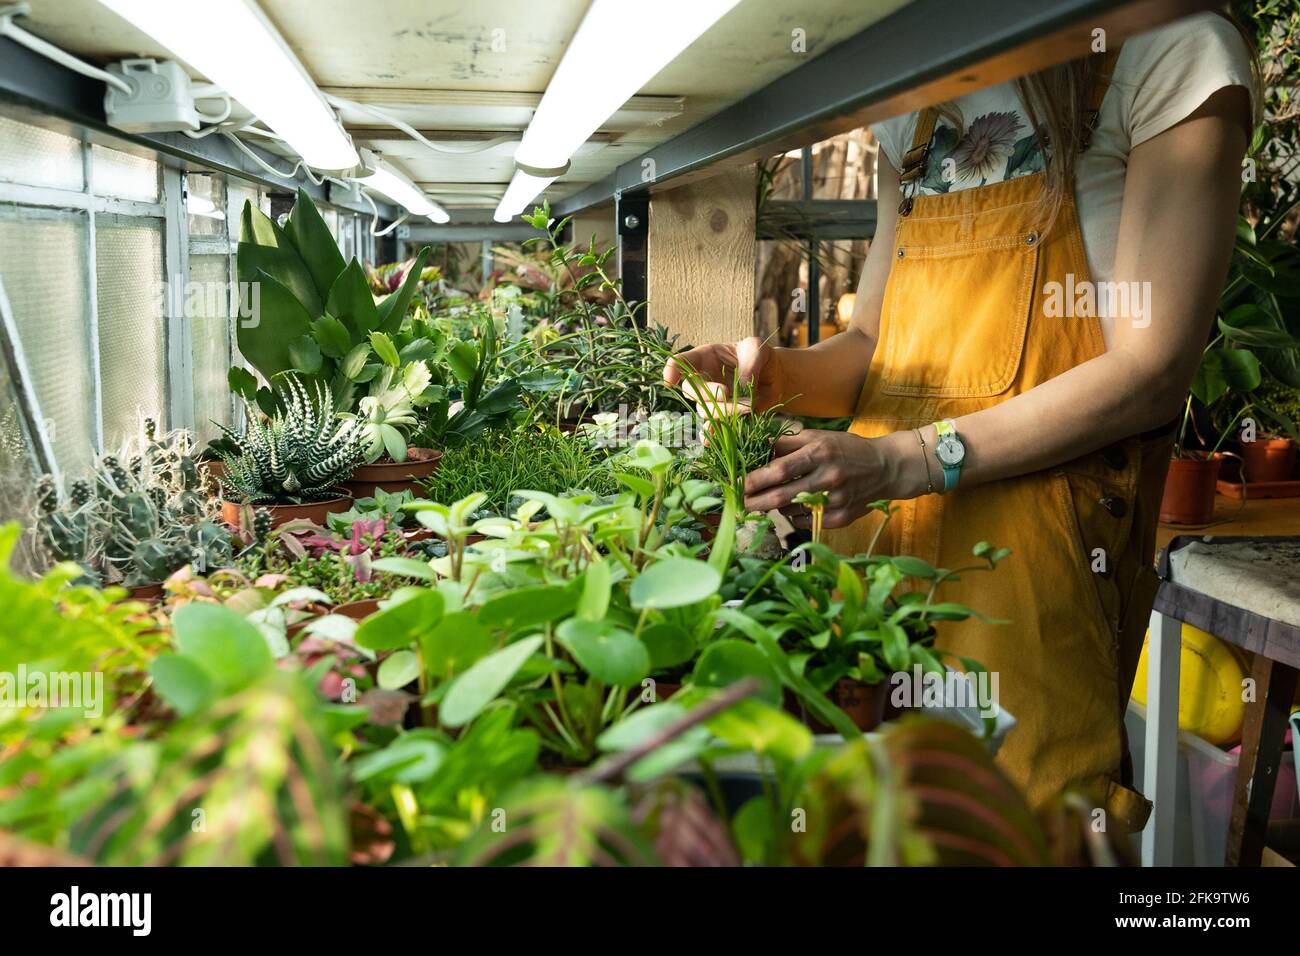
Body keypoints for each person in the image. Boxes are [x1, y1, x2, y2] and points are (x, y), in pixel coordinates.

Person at [664, 12, 1256, 829]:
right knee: (867, 827)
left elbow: (1150, 371)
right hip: (874, 560)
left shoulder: (1167, 49)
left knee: (1017, 828)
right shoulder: (918, 89)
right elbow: (873, 341)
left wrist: (911, 460)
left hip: (1031, 578)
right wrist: (768, 376)